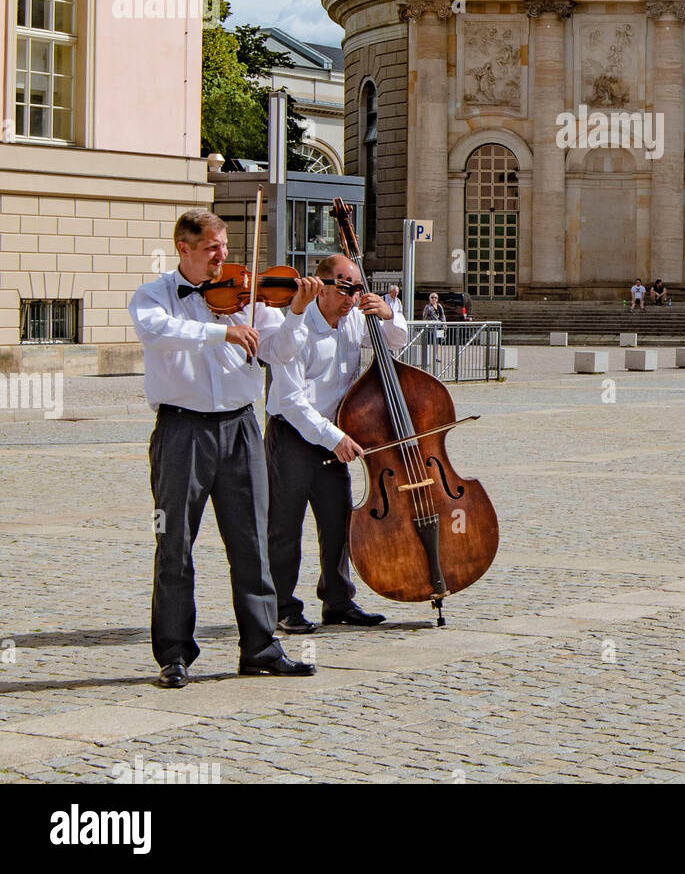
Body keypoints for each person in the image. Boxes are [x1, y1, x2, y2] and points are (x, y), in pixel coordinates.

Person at [128, 208, 317, 689]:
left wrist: (295, 314)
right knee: (175, 544)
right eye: (213, 248)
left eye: (226, 246)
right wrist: (222, 329)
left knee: (253, 539)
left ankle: (260, 647)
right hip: (181, 431)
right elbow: (157, 332)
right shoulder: (154, 297)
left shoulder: (250, 297)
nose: (223, 257)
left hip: (240, 427)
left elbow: (281, 352)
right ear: (184, 249)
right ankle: (173, 654)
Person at [262, 253, 409, 633]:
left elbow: (396, 343)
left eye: (358, 289)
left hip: (334, 437)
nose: (352, 297)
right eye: (346, 289)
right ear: (322, 285)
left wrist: (390, 314)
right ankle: (281, 605)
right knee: (285, 526)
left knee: (338, 521)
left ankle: (338, 600)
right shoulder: (294, 328)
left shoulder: (354, 320)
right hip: (292, 436)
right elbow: (292, 401)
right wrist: (334, 437)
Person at [421, 290, 446, 372]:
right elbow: (424, 317)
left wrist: (444, 323)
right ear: (430, 299)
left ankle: (436, 356)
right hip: (431, 328)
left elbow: (442, 315)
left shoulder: (439, 306)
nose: (434, 299)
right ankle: (428, 357)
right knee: (431, 341)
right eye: (432, 297)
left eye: (435, 297)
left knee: (438, 342)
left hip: (439, 327)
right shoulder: (427, 307)